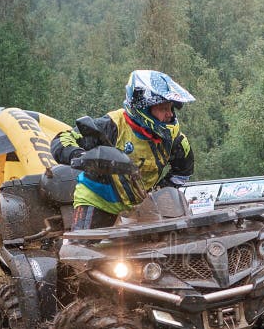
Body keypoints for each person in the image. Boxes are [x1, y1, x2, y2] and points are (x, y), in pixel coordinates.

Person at [51, 70, 196, 229]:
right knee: (82, 243)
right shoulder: (113, 125)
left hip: (141, 207)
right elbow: (61, 139)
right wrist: (82, 156)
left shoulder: (175, 139)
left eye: (170, 108)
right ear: (143, 108)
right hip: (97, 200)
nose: (169, 114)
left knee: (166, 240)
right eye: (162, 108)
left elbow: (183, 172)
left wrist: (157, 193)